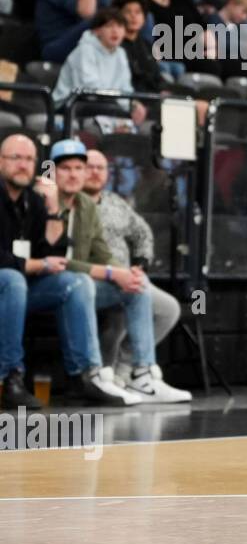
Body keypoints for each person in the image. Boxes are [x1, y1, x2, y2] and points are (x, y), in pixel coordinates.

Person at [50, 139, 185, 402]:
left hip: (110, 274)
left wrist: (135, 270)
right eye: (74, 168)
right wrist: (114, 274)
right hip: (75, 279)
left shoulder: (107, 203)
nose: (89, 173)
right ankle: (100, 373)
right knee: (89, 288)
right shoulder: (51, 201)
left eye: (95, 168)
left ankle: (139, 373)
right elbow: (63, 260)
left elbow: (139, 234)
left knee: (146, 293)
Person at [0, 133, 130, 407]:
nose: (23, 165)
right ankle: (10, 376)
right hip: (9, 282)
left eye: (29, 159)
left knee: (76, 282)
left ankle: (83, 376)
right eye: (15, 158)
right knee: (13, 279)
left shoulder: (34, 202)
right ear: (1, 162)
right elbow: (33, 262)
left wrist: (53, 210)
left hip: (25, 287)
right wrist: (33, 265)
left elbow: (55, 257)